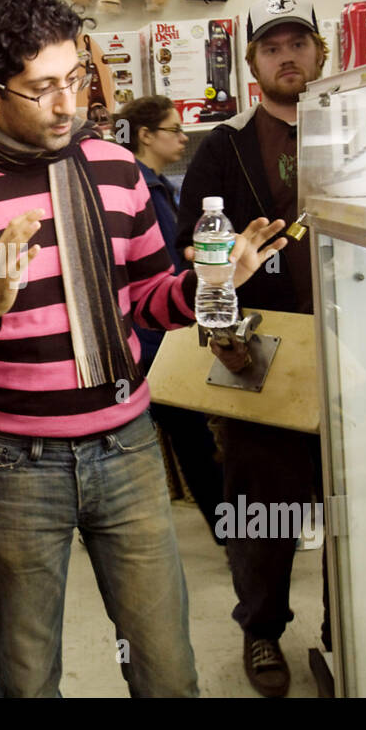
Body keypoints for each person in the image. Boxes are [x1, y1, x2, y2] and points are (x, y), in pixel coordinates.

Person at [0, 0, 287, 698]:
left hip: (129, 450)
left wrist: (212, 281)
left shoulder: (116, 172)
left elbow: (149, 299)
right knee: (25, 677)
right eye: (42, 88)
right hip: (17, 468)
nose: (67, 105)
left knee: (168, 669)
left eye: (74, 79)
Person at [175, 0, 330, 698]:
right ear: (251, 64)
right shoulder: (223, 150)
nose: (287, 56)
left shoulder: (349, 133)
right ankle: (261, 629)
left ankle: (345, 629)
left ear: (321, 52)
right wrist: (222, 307)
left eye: (298, 42)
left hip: (347, 342)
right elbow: (188, 252)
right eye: (272, 46)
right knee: (261, 507)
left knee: (358, 497)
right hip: (257, 349)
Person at [111, 96, 222, 544]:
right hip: (154, 339)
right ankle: (230, 530)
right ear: (145, 135)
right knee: (192, 438)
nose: (181, 137)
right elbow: (160, 271)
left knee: (188, 437)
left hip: (157, 335)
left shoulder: (155, 185)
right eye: (173, 129)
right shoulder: (142, 190)